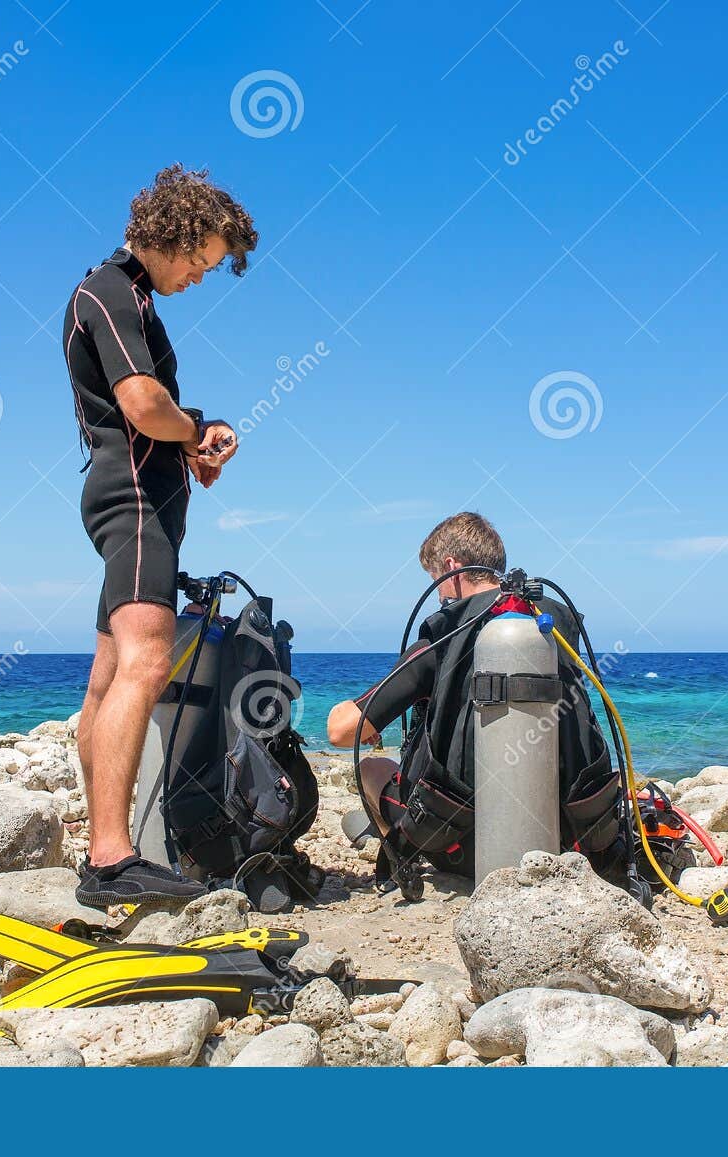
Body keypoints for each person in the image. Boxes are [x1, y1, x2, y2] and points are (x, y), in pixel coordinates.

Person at [64, 165, 257, 907]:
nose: (199, 277)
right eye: (199, 261)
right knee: (148, 661)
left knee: (108, 678)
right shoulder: (108, 290)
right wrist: (192, 433)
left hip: (137, 494)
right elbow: (143, 404)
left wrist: (192, 439)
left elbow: (149, 413)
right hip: (134, 498)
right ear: (171, 234)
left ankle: (101, 848)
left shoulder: (131, 296)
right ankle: (113, 857)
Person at [325, 513, 625, 884]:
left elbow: (341, 732)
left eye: (435, 580)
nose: (438, 595)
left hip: (461, 846)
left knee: (372, 770)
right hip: (570, 839)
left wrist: (348, 711)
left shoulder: (444, 635)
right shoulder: (549, 627)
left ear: (452, 568)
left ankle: (400, 851)